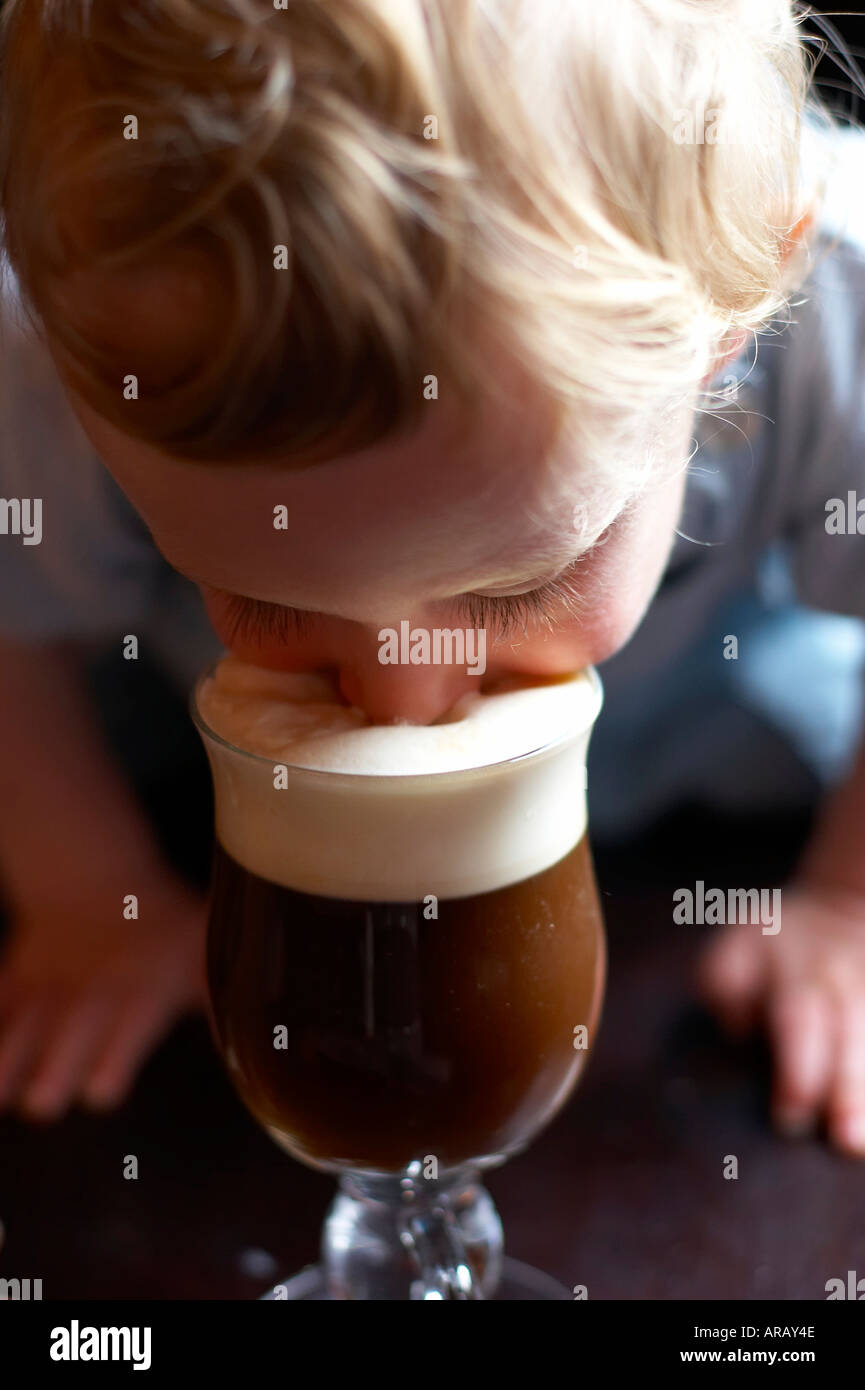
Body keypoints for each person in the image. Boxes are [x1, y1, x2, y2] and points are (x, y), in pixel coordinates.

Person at [0, 0, 864, 1156]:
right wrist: (83, 888)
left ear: (736, 310)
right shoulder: (67, 357)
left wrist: (847, 900)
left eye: (518, 585)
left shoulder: (831, 314)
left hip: (731, 804)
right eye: (271, 600)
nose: (402, 698)